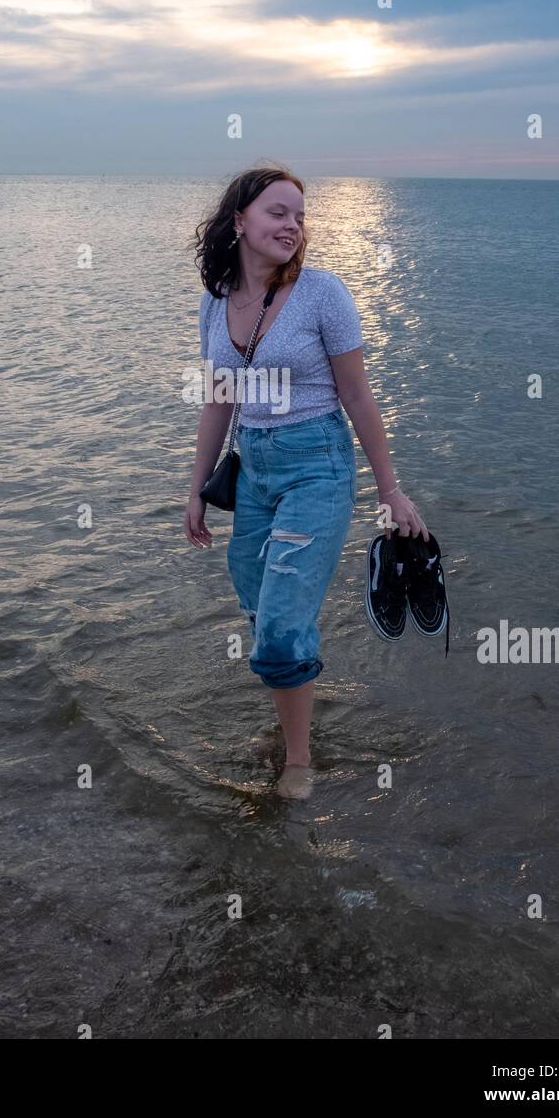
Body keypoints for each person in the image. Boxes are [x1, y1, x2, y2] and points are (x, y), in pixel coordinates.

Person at [184, 164, 429, 798]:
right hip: (252, 470)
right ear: (239, 220)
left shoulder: (324, 294)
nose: (292, 224)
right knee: (260, 610)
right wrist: (196, 489)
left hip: (317, 463)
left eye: (299, 215)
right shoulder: (216, 301)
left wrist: (390, 490)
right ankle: (293, 730)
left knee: (283, 622)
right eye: (277, 212)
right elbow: (218, 398)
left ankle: (298, 760)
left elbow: (357, 395)